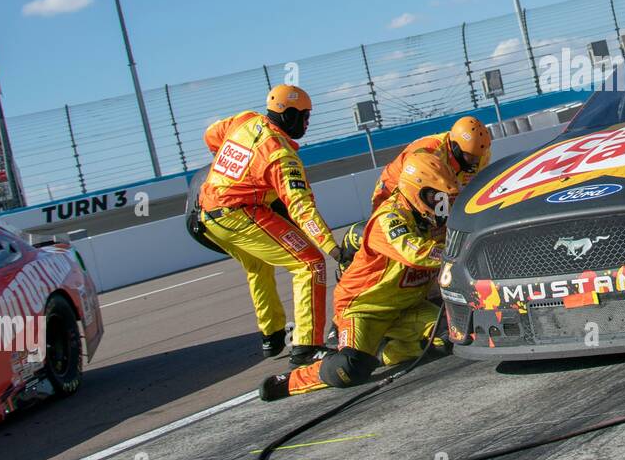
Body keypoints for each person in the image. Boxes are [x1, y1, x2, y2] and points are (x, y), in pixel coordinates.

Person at [259, 152, 459, 401]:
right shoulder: (389, 218)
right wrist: (459, 254)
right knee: (350, 369)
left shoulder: (433, 218)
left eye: (446, 199)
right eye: (437, 198)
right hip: (363, 308)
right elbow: (415, 252)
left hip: (407, 307)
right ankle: (290, 381)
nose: (443, 206)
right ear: (415, 189)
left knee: (455, 335)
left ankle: (383, 350)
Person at [197, 85, 348, 365]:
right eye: (304, 116)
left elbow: (211, 136)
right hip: (238, 212)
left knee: (258, 266)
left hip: (207, 213)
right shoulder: (280, 154)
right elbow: (302, 209)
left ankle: (272, 334)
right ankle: (307, 345)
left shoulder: (244, 120)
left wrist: (230, 165)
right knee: (309, 264)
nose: (307, 123)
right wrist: (334, 250)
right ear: (289, 115)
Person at [368, 116, 491, 212]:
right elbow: (415, 185)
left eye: (477, 157)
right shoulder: (430, 152)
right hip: (395, 184)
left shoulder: (481, 154)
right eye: (470, 157)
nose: (475, 162)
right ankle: (356, 236)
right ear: (456, 147)